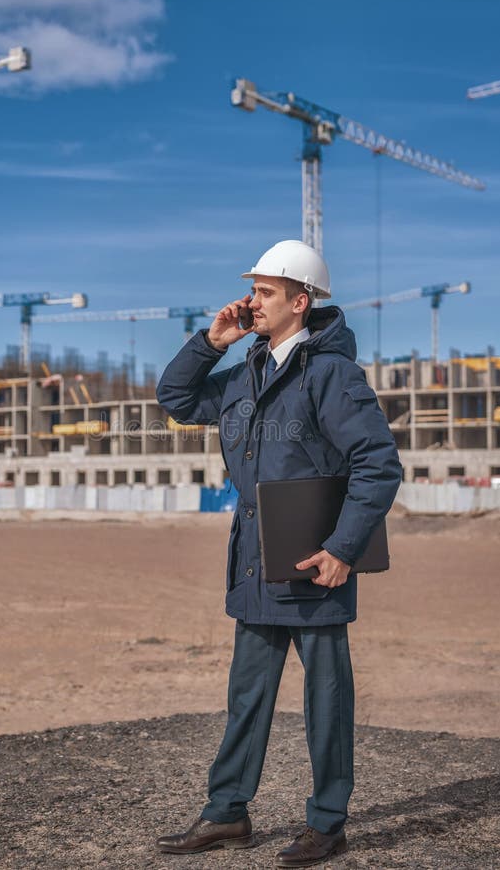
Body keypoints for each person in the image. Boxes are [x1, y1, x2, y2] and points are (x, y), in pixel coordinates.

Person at [155, 240, 402, 867]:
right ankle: (226, 814)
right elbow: (177, 400)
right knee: (248, 697)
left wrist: (343, 550)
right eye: (252, 290)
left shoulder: (331, 374)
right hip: (255, 563)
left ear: (301, 300)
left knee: (326, 702)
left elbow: (377, 464)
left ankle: (327, 824)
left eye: (265, 292)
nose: (252, 301)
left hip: (314, 565)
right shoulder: (245, 371)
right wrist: (213, 342)